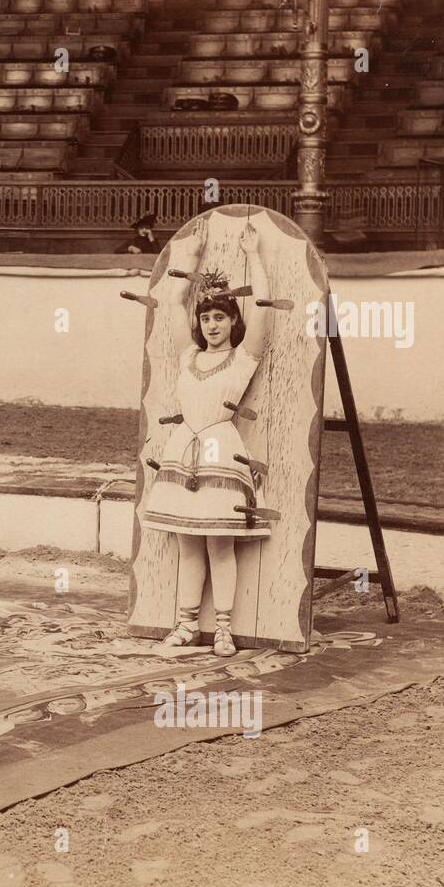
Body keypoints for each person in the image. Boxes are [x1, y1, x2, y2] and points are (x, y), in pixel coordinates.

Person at [138, 221, 271, 658]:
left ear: (234, 321)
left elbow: (264, 311)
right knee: (188, 542)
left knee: (220, 543)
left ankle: (225, 631)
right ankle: (185, 625)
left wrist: (253, 254)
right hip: (181, 454)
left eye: (220, 317)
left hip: (220, 454)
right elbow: (174, 301)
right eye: (206, 317)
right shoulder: (188, 355)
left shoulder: (242, 359)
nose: (211, 324)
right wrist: (188, 256)